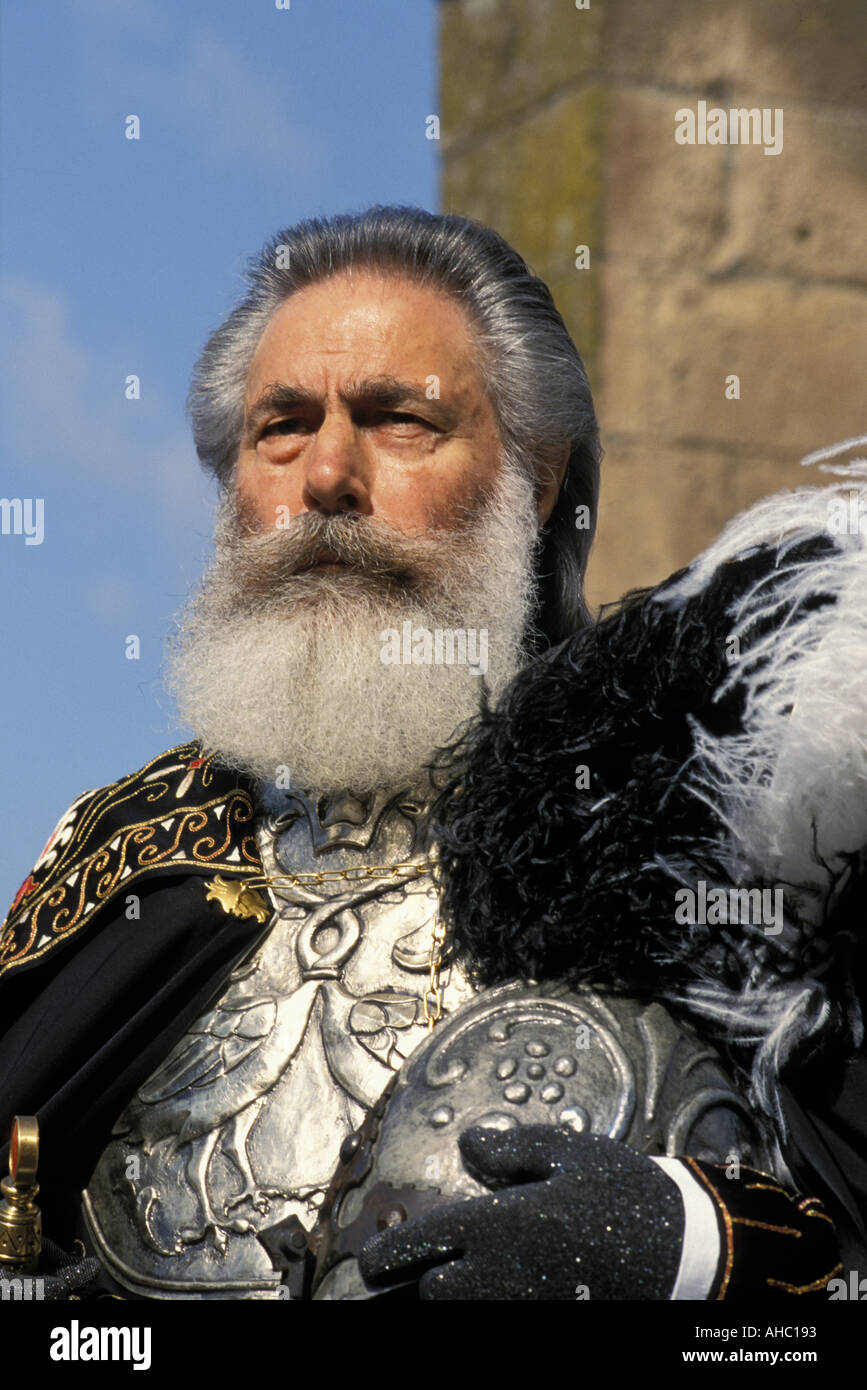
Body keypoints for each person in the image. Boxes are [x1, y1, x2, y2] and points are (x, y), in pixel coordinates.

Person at [0, 207, 857, 1301]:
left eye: (399, 420)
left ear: (536, 481)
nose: (326, 477)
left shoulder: (692, 824)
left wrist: (695, 1244)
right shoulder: (119, 852)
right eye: (282, 426)